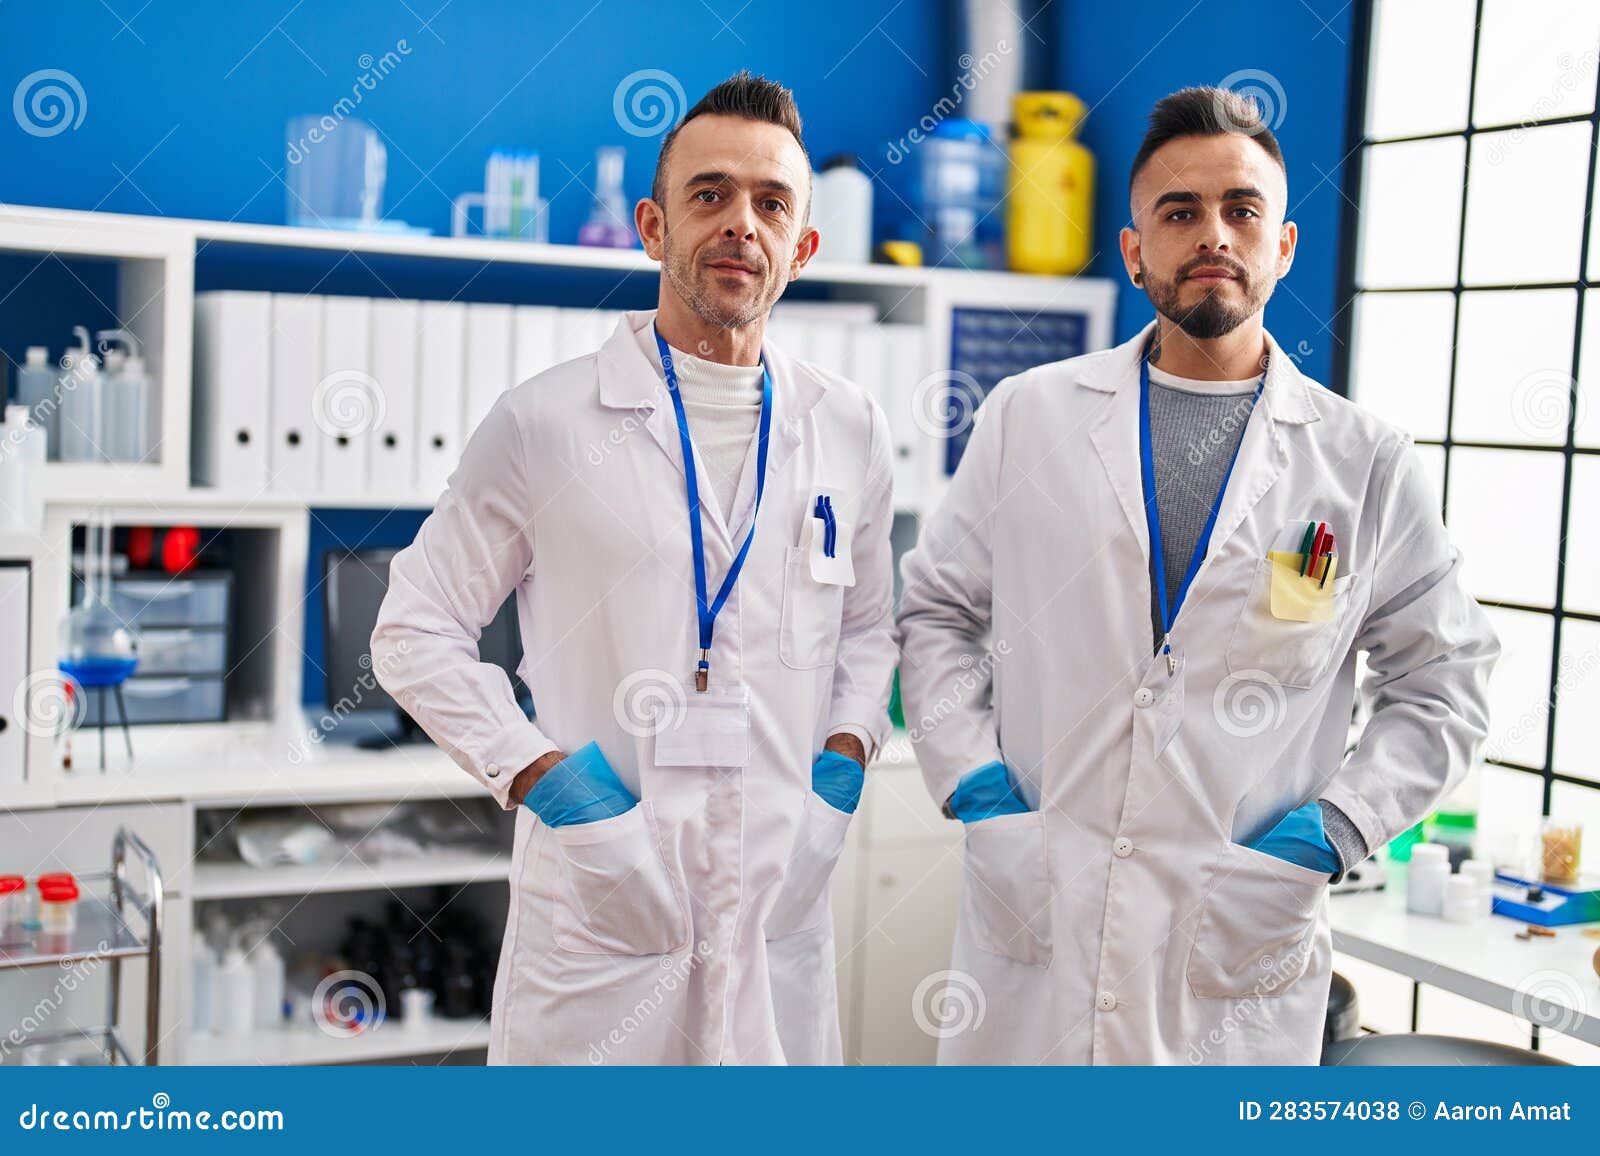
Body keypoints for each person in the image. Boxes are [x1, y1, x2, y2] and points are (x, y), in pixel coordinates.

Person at [895, 86, 1497, 1064]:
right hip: (1037, 914)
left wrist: (1333, 828)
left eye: (1240, 209)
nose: (1211, 233)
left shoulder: (1361, 460)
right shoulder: (1027, 416)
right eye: (1178, 212)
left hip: (1235, 942)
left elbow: (1447, 677)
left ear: (1283, 245)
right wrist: (975, 785)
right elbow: (935, 611)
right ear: (1134, 251)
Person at [371, 72, 897, 1064]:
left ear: (804, 246)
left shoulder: (850, 428)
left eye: (770, 203)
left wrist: (844, 761)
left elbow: (870, 628)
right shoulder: (545, 423)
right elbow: (413, 630)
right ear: (653, 227)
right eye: (710, 195)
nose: (740, 223)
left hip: (779, 895)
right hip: (604, 904)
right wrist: (546, 778)